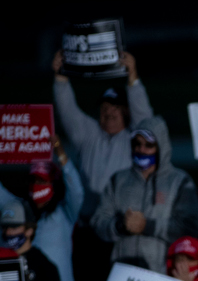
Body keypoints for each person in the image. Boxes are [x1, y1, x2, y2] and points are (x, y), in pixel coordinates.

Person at [51, 49, 152, 223]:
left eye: (116, 108)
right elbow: (67, 109)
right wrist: (60, 77)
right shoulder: (88, 134)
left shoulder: (134, 139)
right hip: (86, 221)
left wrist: (133, 76)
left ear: (127, 111)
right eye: (105, 108)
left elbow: (144, 118)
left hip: (119, 222)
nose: (109, 113)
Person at [90, 118, 198, 275]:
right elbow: (98, 221)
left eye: (149, 145)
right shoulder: (118, 180)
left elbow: (189, 228)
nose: (141, 149)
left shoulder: (180, 181)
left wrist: (147, 226)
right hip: (122, 273)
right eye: (137, 143)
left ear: (161, 147)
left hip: (162, 274)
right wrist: (120, 226)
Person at [0, 142, 84, 281]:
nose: (37, 186)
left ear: (53, 184)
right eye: (34, 180)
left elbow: (77, 191)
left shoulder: (64, 214)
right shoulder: (19, 210)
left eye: (42, 181)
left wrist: (61, 152)